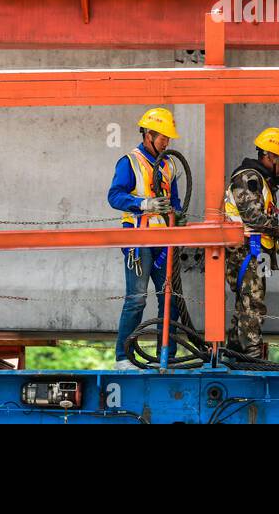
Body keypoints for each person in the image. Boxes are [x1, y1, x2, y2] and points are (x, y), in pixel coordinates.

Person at [109, 107, 184, 370]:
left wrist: (178, 214)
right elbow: (114, 196)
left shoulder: (169, 165)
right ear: (148, 135)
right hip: (138, 238)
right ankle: (122, 357)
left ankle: (168, 356)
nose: (167, 142)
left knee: (170, 297)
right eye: (162, 137)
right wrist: (144, 204)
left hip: (163, 239)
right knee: (137, 298)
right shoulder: (129, 162)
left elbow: (174, 202)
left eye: (168, 138)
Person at [223, 127, 279, 357]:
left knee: (247, 303)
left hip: (258, 251)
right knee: (252, 303)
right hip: (245, 250)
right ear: (270, 156)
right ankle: (251, 353)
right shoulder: (248, 178)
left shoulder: (263, 181)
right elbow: (253, 218)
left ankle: (237, 349)